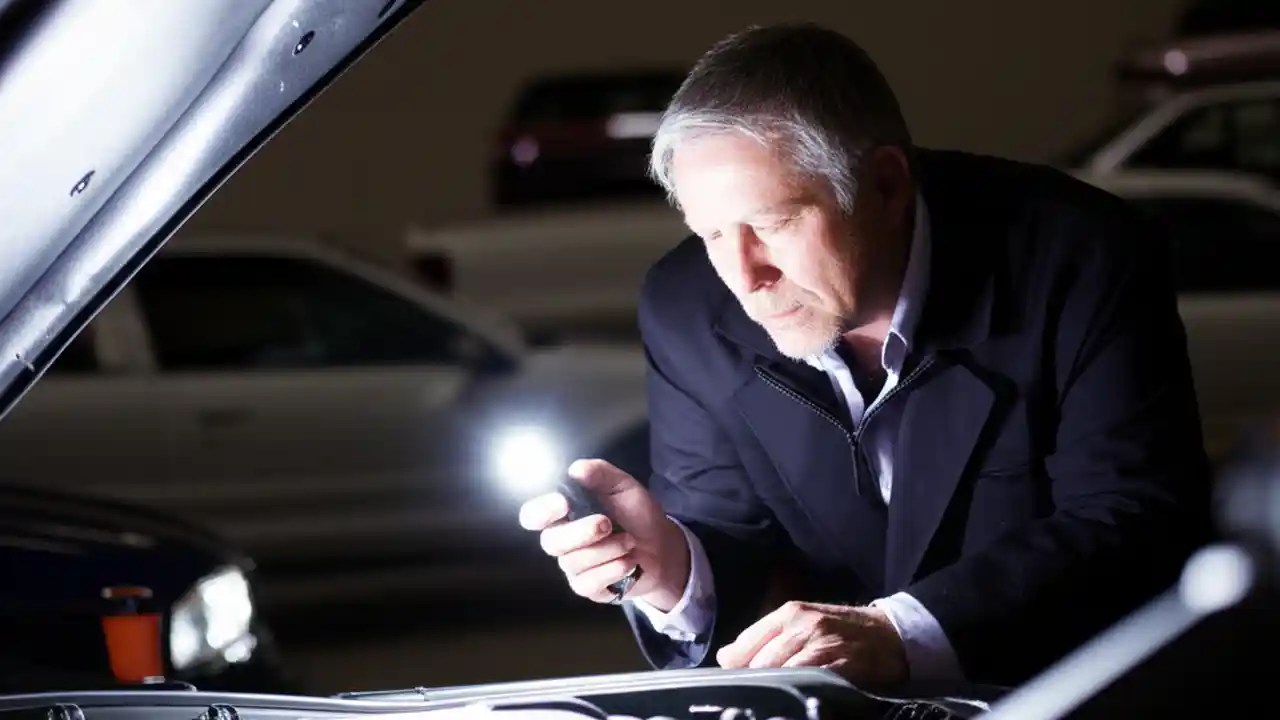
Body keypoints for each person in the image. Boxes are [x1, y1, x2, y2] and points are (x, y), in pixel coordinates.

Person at [518, 23, 1212, 690]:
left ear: (885, 186)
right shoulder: (687, 306)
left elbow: (1133, 521)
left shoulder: (1081, 255)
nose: (743, 277)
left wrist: (901, 634)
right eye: (711, 233)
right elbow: (734, 533)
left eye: (772, 224)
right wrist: (671, 565)